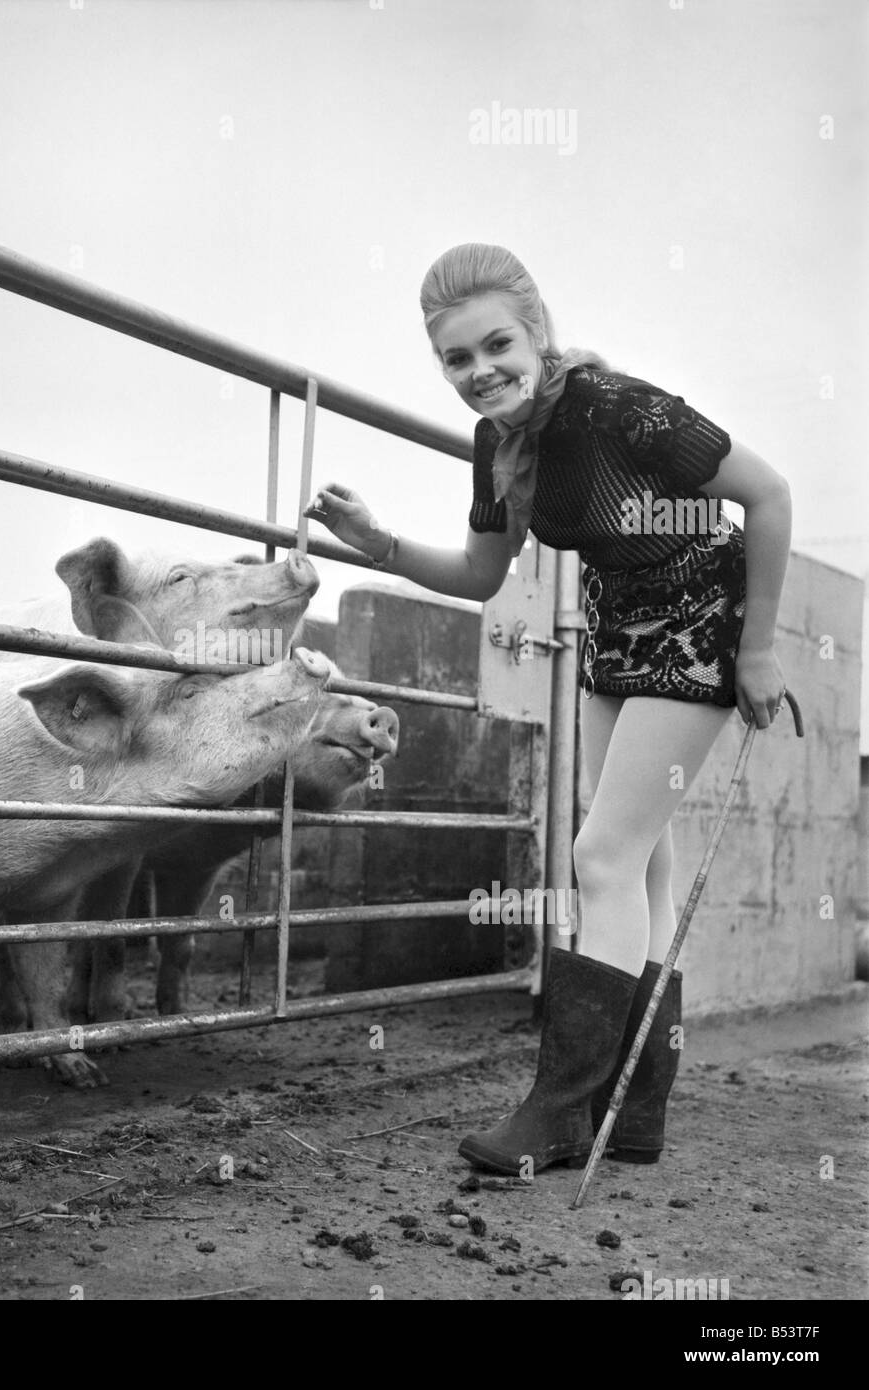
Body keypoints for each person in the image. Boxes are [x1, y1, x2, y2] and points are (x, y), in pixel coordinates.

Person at [305, 243, 792, 1175]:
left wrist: (759, 649)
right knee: (636, 857)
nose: (480, 370)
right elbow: (483, 575)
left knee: (598, 855)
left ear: (538, 334)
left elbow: (767, 496)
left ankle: (561, 1112)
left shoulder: (621, 408)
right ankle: (637, 1109)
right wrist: (377, 543)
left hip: (699, 622)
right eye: (456, 359)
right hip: (618, 631)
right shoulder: (499, 443)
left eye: (497, 345)